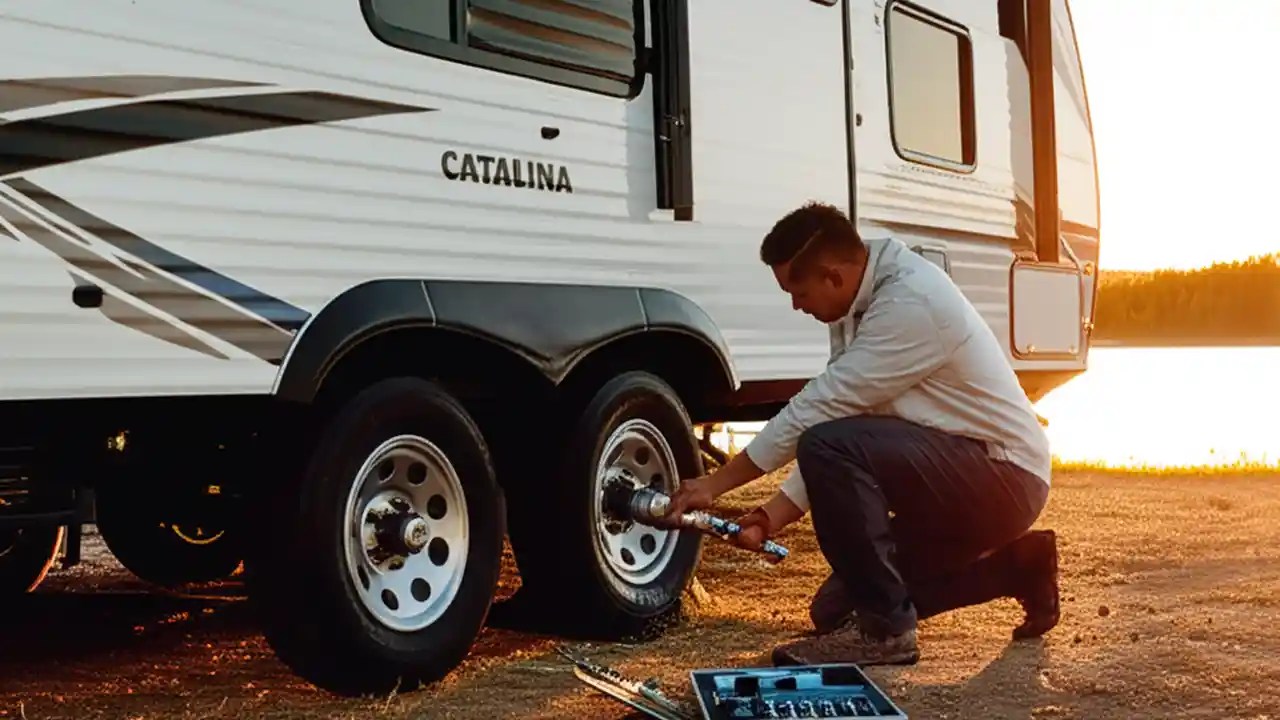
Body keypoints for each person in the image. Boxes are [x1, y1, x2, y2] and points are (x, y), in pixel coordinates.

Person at [658, 201, 1061, 666]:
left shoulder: (912, 303)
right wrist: (768, 518)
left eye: (797, 289)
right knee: (834, 610)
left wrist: (713, 484)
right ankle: (1021, 567)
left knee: (827, 445)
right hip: (958, 478)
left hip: (1004, 475)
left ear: (833, 276)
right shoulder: (857, 304)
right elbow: (836, 419)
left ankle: (889, 634)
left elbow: (821, 414)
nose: (795, 304)